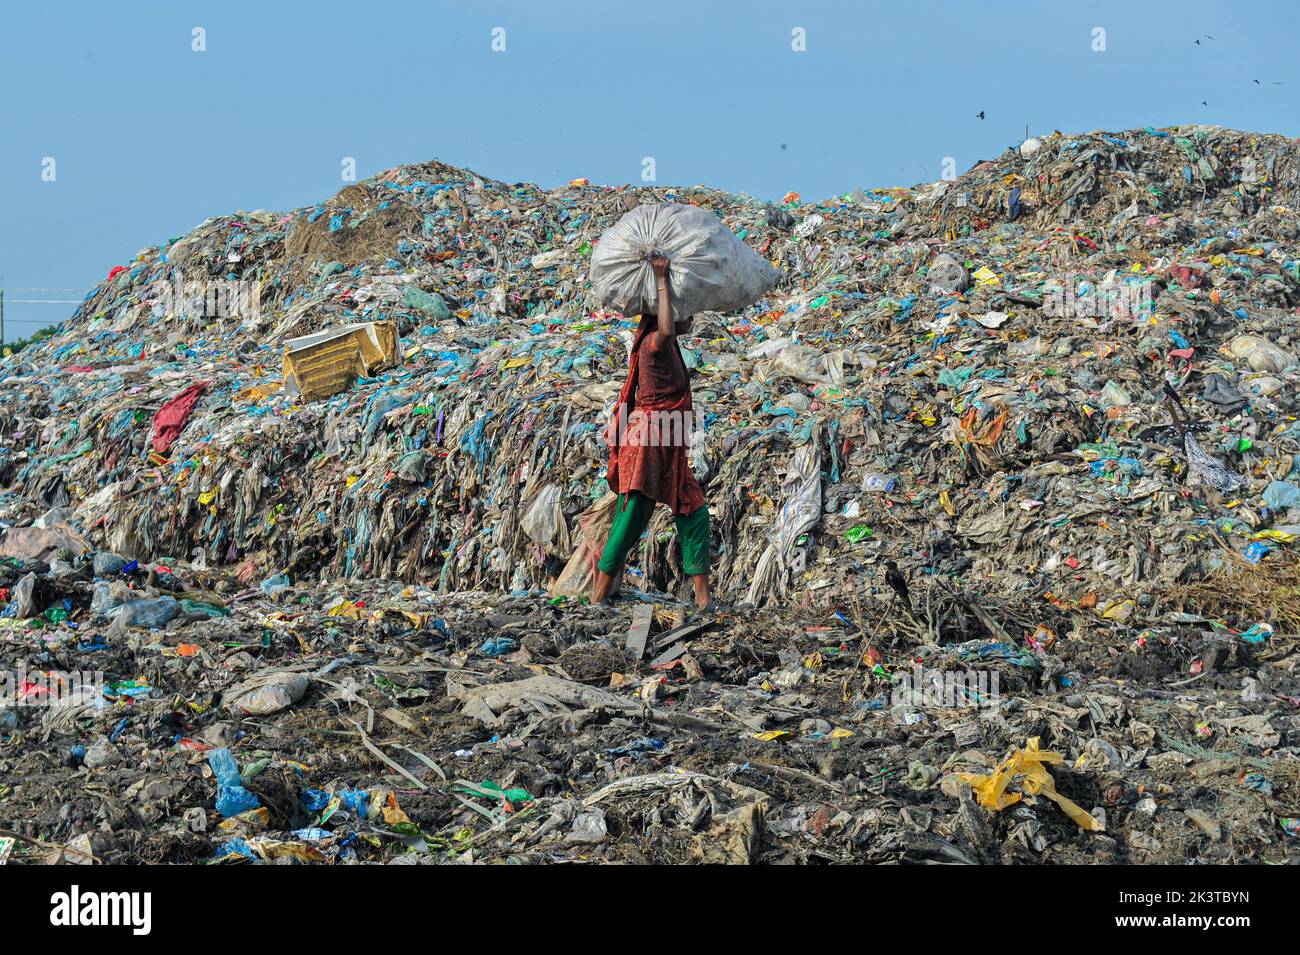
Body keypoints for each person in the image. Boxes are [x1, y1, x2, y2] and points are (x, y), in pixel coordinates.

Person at [592, 255, 712, 609]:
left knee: (694, 510)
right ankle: (599, 594)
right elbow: (666, 329)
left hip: (667, 438)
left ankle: (704, 599)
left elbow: (671, 330)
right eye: (682, 311)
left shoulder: (669, 347)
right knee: (632, 518)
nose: (688, 318)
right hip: (646, 440)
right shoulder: (653, 345)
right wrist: (662, 279)